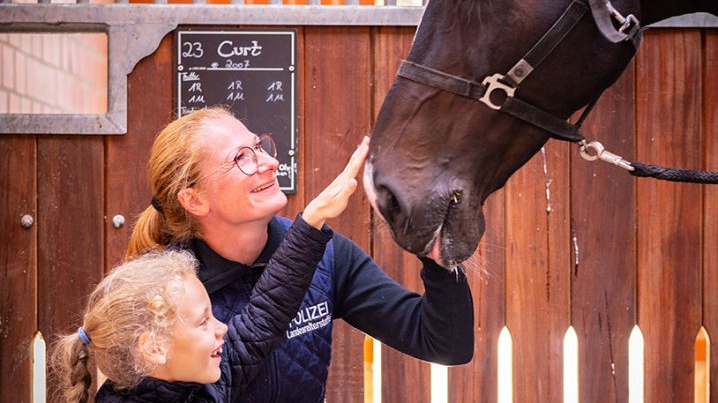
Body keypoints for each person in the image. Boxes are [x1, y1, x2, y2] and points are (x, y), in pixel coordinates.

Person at [126, 106, 474, 402]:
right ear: (194, 199)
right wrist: (310, 226)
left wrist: (440, 253)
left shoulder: (327, 255)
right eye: (241, 158)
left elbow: (444, 343)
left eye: (258, 147)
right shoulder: (165, 291)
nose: (269, 163)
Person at [51, 136, 370, 402]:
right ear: (154, 347)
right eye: (203, 321)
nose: (223, 328)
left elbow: (263, 319)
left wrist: (313, 221)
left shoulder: (208, 387)